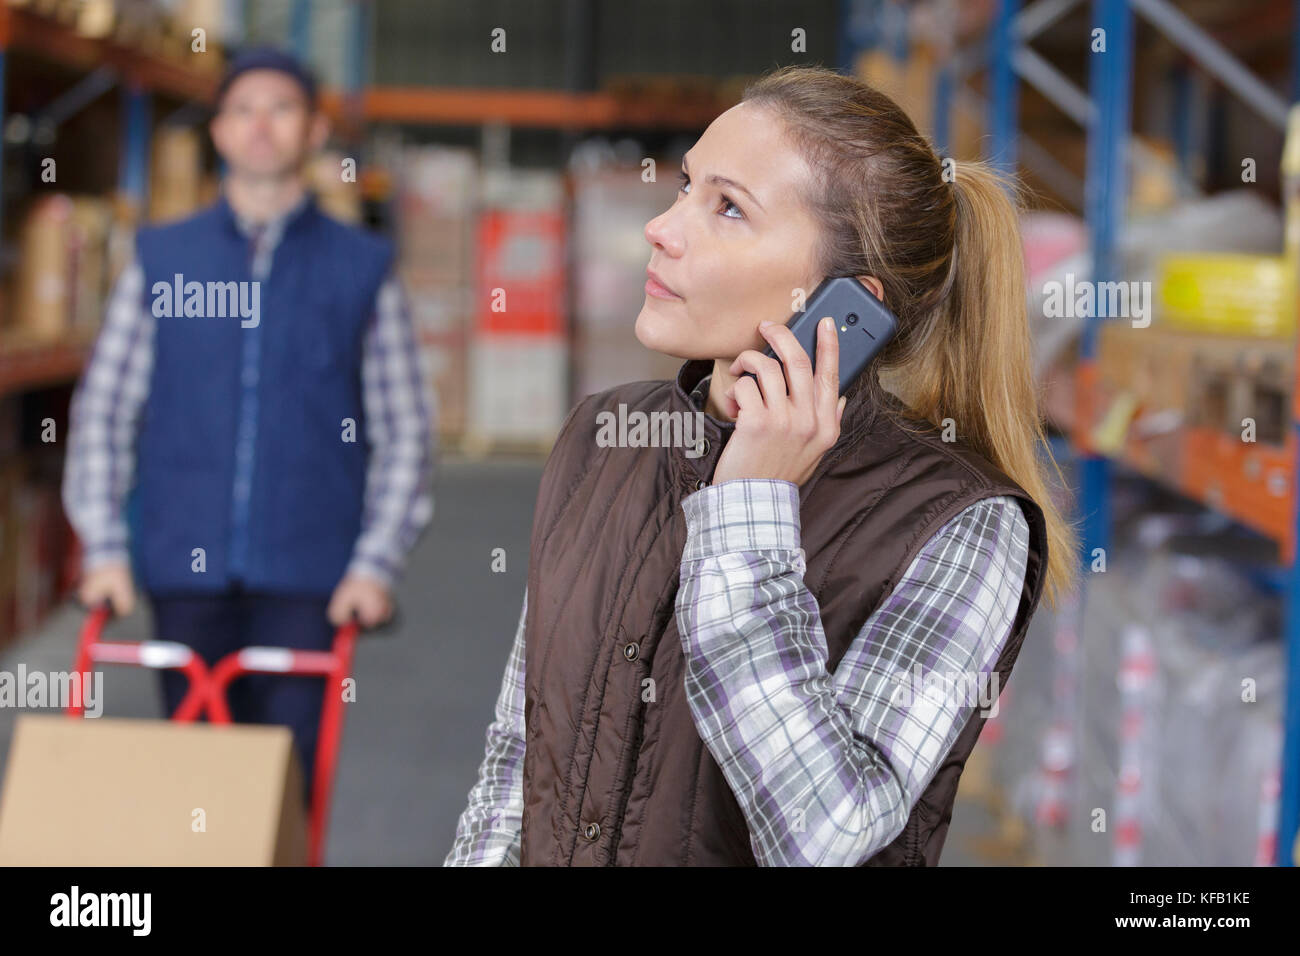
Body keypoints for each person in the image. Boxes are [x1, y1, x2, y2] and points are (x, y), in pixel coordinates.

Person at [445, 64, 1076, 867]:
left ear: (848, 305)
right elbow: (516, 753)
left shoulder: (961, 524)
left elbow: (825, 838)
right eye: (684, 186)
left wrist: (749, 513)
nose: (661, 228)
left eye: (729, 208)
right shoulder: (600, 435)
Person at [61, 47, 435, 804]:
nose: (260, 125)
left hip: (311, 578)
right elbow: (105, 408)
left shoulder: (361, 267)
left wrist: (374, 564)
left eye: (282, 107)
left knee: (282, 789)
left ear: (314, 131)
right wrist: (103, 546)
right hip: (182, 570)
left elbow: (405, 432)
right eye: (242, 109)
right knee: (193, 790)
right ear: (220, 133)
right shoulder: (164, 259)